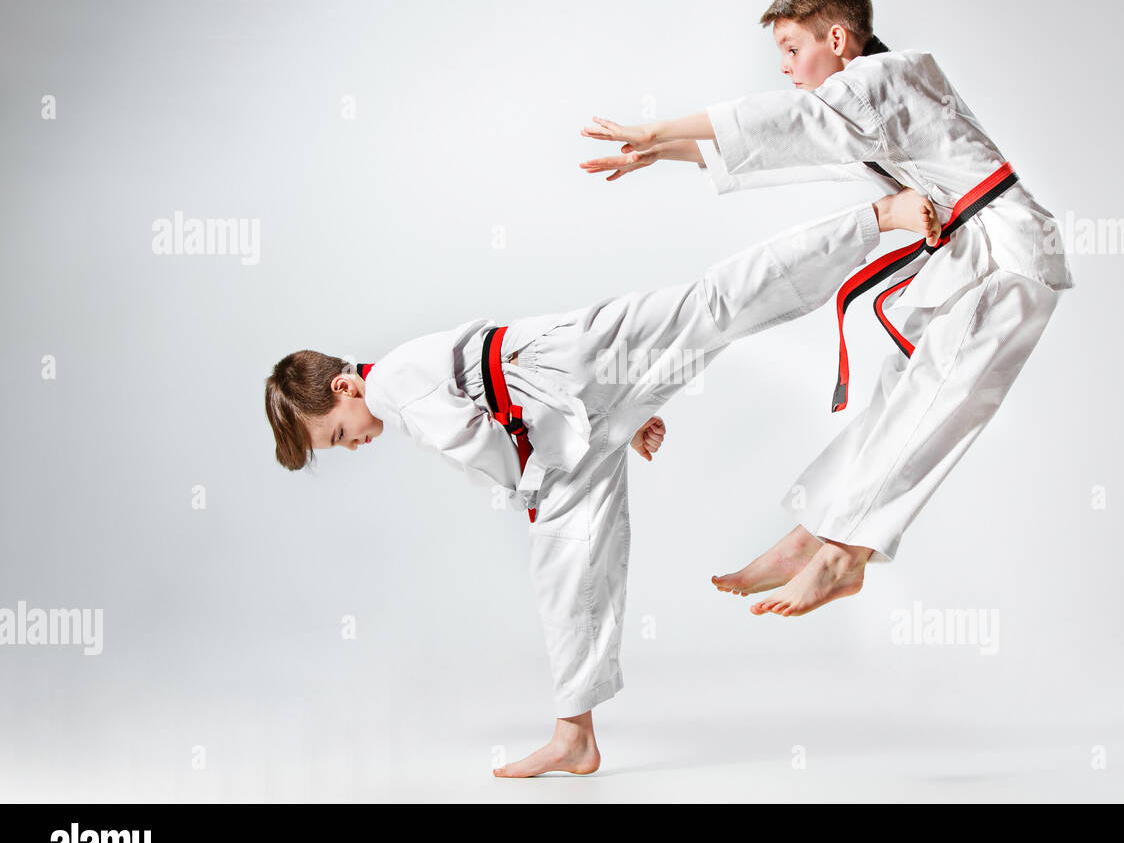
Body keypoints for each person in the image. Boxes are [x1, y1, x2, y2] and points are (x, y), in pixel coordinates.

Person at [264, 187, 940, 776]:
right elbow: (490, 425)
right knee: (565, 572)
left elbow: (474, 442)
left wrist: (553, 460)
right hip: (568, 407)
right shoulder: (397, 384)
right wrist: (619, 414)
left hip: (565, 373)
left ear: (344, 385)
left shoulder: (389, 390)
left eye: (335, 433)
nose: (350, 444)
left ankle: (881, 215)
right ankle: (573, 736)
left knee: (717, 302)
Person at [579, 0, 1076, 618]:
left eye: (792, 48)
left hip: (1008, 255)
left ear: (838, 38)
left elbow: (784, 123)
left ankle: (846, 556)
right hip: (972, 256)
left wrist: (656, 128)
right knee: (899, 394)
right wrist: (663, 152)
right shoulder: (875, 96)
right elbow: (790, 147)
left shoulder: (887, 79)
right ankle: (813, 536)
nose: (785, 66)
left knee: (935, 398)